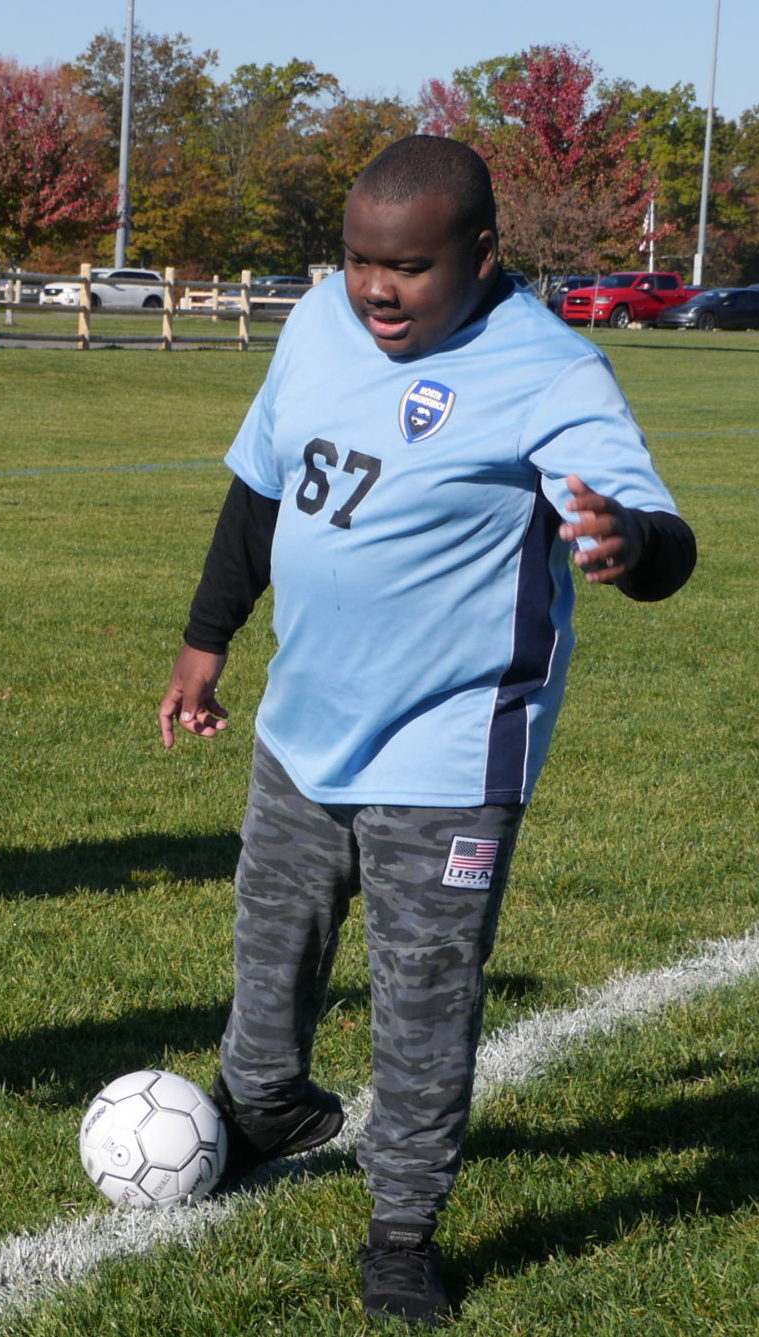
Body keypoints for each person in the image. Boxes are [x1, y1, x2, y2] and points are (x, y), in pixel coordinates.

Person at [158, 136, 695, 1328]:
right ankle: (265, 1107)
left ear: (481, 254)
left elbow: (664, 535)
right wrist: (206, 637)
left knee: (422, 997)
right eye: (358, 260)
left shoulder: (550, 372)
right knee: (267, 967)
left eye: (406, 266)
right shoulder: (316, 321)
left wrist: (630, 544)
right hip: (302, 728)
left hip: (452, 753)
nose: (375, 289)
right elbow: (260, 487)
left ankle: (401, 1228)